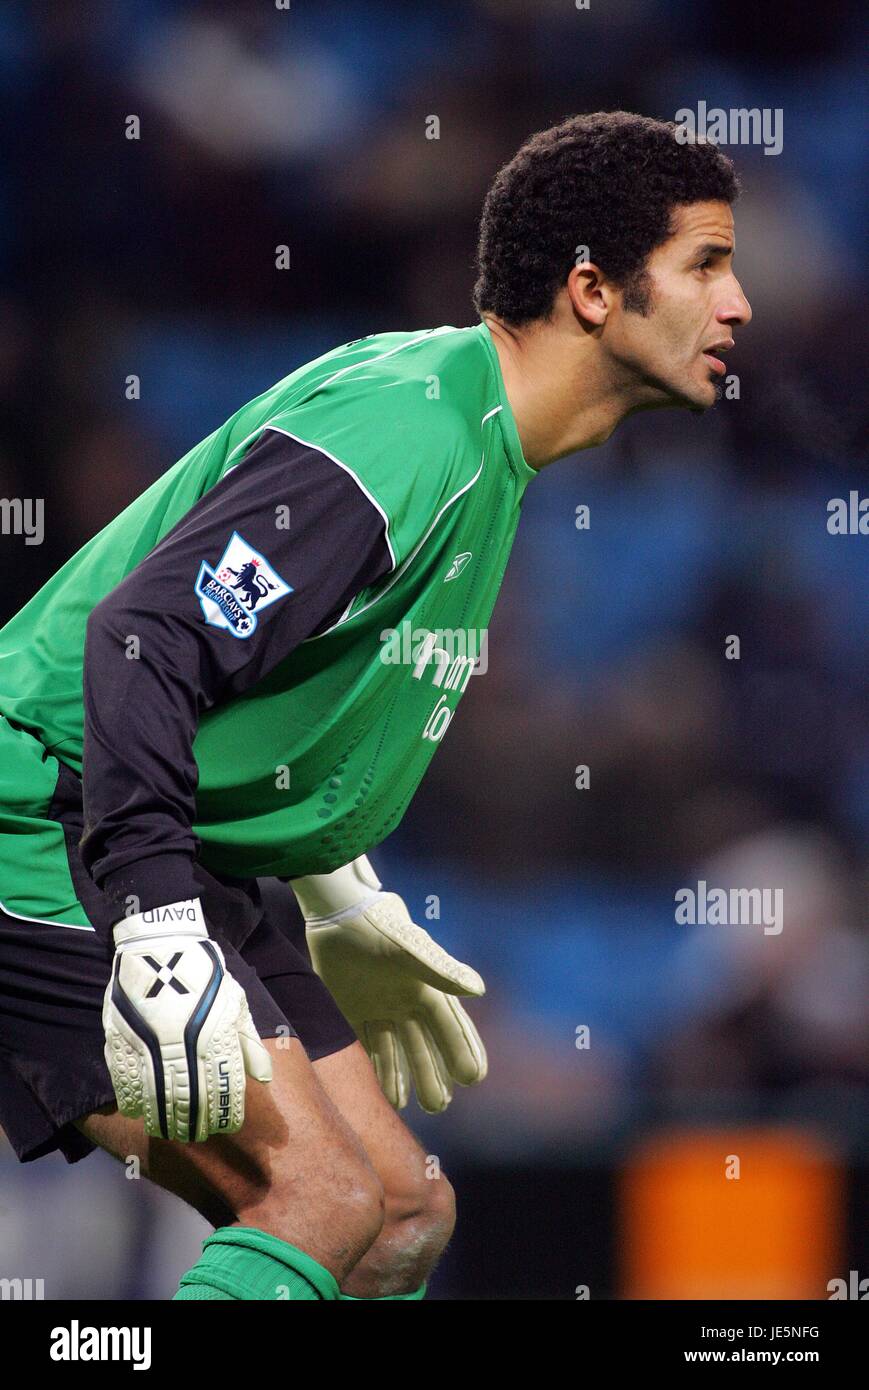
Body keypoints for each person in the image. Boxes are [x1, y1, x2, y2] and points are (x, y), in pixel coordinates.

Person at [0, 111, 751, 1300]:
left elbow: (277, 687)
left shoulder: (482, 442)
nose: (738, 304)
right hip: (46, 811)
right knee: (322, 1203)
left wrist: (340, 894)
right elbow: (143, 639)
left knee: (401, 1214)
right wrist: (154, 926)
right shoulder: (409, 431)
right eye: (706, 263)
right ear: (594, 289)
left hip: (167, 837)